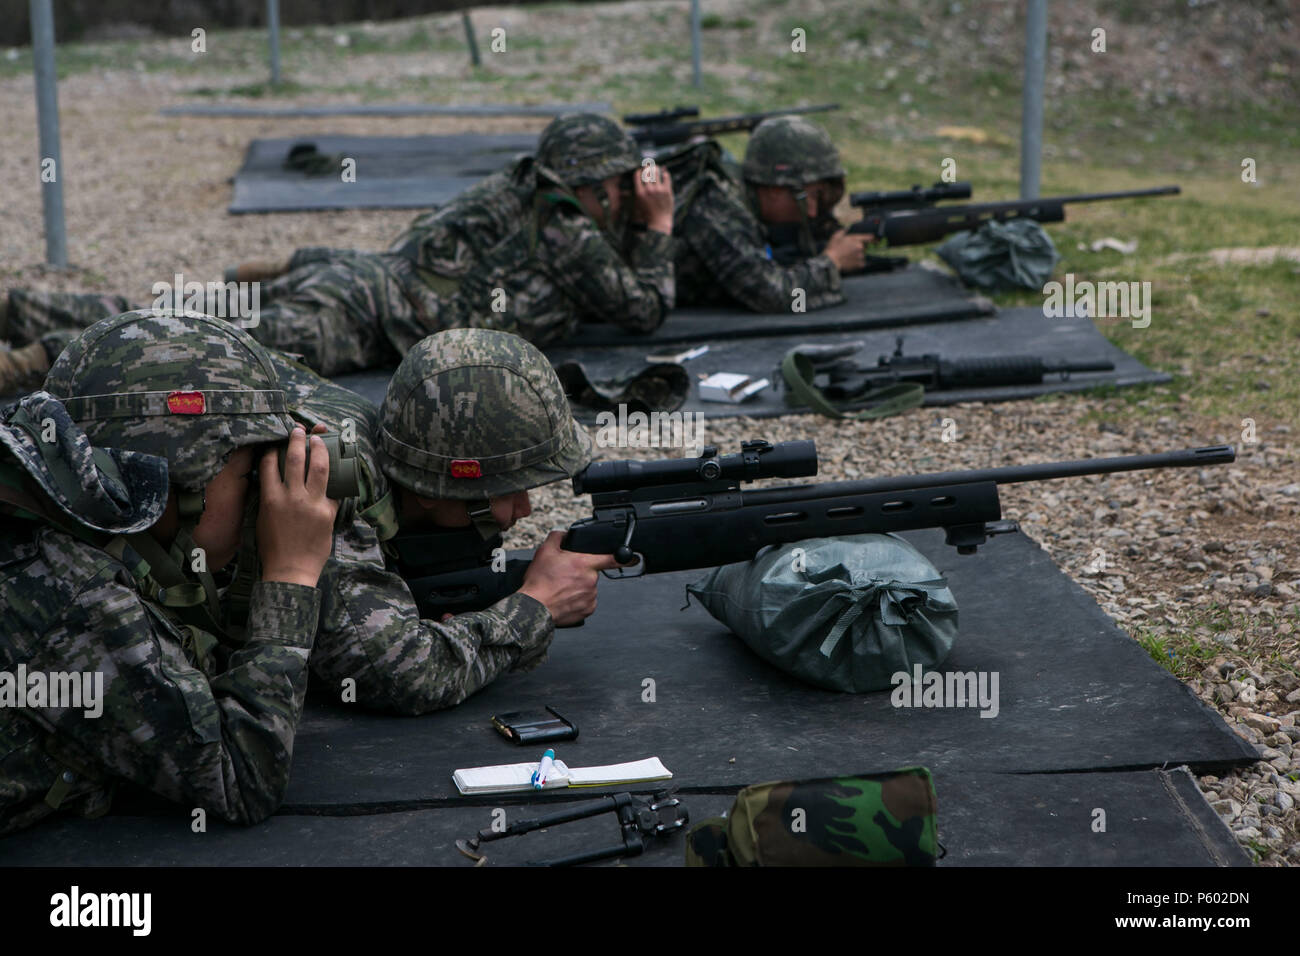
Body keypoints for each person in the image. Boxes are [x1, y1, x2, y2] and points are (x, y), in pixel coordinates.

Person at [0, 113, 676, 388]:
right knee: (190, 342)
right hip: (358, 318)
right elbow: (646, 310)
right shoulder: (571, 233)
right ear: (595, 184)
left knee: (171, 309)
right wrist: (659, 226)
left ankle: (22, 307)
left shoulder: (515, 187)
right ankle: (30, 361)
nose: (626, 194)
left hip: (355, 276)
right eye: (620, 183)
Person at [0, 309, 338, 836]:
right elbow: (240, 779)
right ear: (182, 479)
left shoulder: (61, 523)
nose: (263, 500)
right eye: (251, 473)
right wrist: (292, 573)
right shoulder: (73, 594)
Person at [269, 327, 623, 714]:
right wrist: (536, 606)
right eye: (507, 490)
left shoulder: (388, 430)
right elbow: (396, 675)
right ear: (431, 490)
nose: (523, 510)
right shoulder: (334, 483)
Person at [662, 115, 874, 312]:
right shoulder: (715, 205)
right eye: (806, 197)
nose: (811, 212)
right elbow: (775, 296)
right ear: (773, 189)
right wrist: (833, 262)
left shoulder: (748, 200)